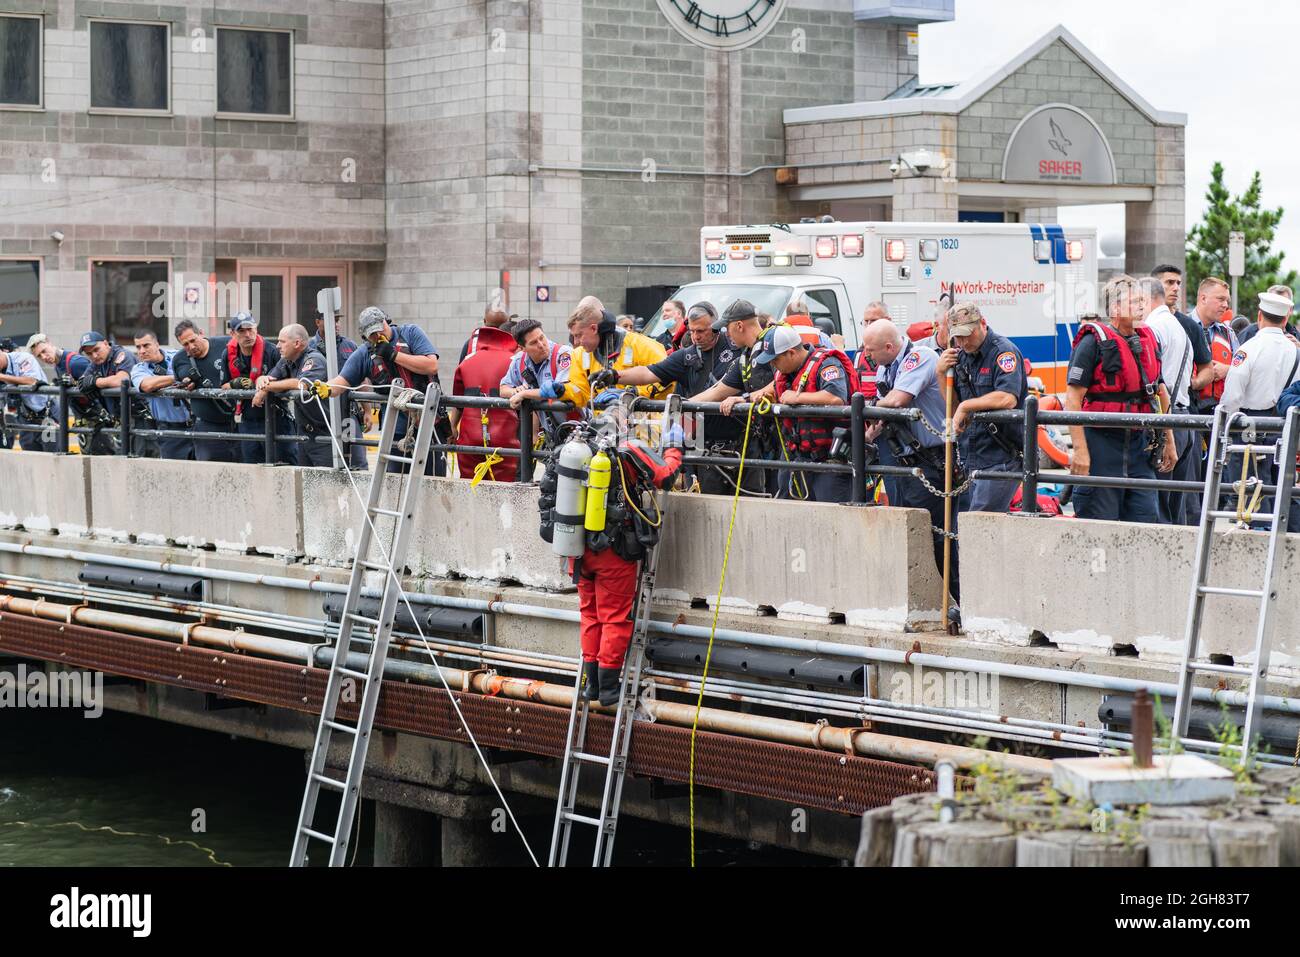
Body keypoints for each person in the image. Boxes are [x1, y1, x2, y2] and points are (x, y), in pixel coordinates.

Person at [560, 414, 685, 706]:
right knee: (614, 617)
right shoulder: (627, 449)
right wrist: (674, 446)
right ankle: (608, 690)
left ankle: (592, 685)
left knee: (590, 615)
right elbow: (666, 476)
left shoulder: (573, 447)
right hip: (613, 552)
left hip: (576, 550)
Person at [611, 301, 756, 495]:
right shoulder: (685, 357)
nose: (696, 337)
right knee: (709, 504)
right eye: (692, 331)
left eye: (702, 331)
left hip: (743, 441)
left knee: (750, 499)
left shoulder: (737, 350)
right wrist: (615, 376)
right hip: (705, 448)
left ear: (715, 327)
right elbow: (648, 373)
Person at [1064, 277, 1177, 523]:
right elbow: (1072, 399)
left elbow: (1160, 392)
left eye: (1143, 301)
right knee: (1100, 524)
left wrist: (1170, 441)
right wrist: (1080, 452)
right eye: (1134, 301)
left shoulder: (1149, 338)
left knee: (1146, 522)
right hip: (1102, 445)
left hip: (1140, 446)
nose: (1141, 306)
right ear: (1115, 309)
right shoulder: (1092, 342)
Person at [862, 319, 952, 597]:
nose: (867, 356)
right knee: (905, 528)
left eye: (871, 350)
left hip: (929, 460)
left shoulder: (920, 357)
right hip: (900, 458)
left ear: (889, 346)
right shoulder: (885, 367)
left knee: (935, 534)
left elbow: (896, 400)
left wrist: (865, 409)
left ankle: (954, 601)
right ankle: (921, 597)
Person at [326, 306, 444, 476]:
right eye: (372, 335)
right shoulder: (365, 354)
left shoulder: (410, 333)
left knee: (434, 482)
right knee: (395, 483)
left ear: (385, 322)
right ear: (365, 336)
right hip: (396, 429)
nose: (378, 336)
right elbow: (340, 382)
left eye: (380, 330)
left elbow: (431, 366)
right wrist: (323, 388)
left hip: (430, 424)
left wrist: (393, 355)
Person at [1219, 291, 1300, 531]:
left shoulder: (1248, 349)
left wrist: (1226, 421)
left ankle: (1256, 533)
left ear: (1259, 316)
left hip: (1250, 424)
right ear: (1285, 320)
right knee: (1283, 486)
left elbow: (1232, 395)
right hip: (1286, 423)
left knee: (1250, 488)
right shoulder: (1295, 351)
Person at [939, 303, 1027, 515]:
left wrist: (966, 407)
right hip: (971, 455)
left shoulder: (1003, 351)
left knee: (980, 526)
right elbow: (953, 407)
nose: (962, 342)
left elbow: (1007, 398)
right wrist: (941, 374)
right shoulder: (960, 356)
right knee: (966, 527)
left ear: (983, 324)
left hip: (1001, 456)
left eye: (967, 335)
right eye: (957, 337)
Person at [755, 324, 858, 502]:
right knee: (787, 512)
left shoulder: (827, 364)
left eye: (775, 359)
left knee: (830, 517)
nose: (773, 364)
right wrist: (743, 399)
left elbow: (836, 398)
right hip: (795, 457)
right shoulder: (785, 372)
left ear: (792, 353)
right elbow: (774, 391)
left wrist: (798, 398)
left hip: (829, 460)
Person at [691, 300, 778, 494]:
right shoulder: (745, 358)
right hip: (764, 441)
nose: (726, 334)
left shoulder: (773, 342)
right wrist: (682, 405)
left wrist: (744, 399)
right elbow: (717, 391)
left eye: (727, 328)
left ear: (739, 326)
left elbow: (783, 381)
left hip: (784, 445)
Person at [1135, 278, 1196, 525]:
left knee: (1159, 507)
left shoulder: (1153, 328)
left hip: (1165, 421)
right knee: (1175, 506)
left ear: (1146, 299)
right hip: (1184, 417)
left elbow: (1153, 379)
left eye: (1137, 301)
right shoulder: (1178, 326)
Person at [557, 296, 669, 410]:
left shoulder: (640, 345)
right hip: (603, 424)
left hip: (645, 423)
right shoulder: (579, 355)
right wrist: (561, 390)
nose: (576, 342)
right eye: (574, 336)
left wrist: (633, 393)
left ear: (594, 328)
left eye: (579, 335)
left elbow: (666, 376)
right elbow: (581, 393)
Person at [255, 324, 336, 467]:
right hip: (304, 434)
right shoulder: (287, 360)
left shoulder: (314, 359)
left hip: (324, 434)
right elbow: (271, 378)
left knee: (326, 484)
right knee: (305, 483)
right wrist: (261, 381)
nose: (278, 346)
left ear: (297, 343)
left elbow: (302, 384)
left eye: (282, 341)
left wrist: (267, 386)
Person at [450, 315, 519, 482]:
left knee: (470, 490)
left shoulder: (468, 360)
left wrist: (452, 427)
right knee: (506, 495)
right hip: (507, 440)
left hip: (469, 439)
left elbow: (457, 401)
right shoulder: (516, 361)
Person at [223, 312, 293, 464]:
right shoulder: (228, 354)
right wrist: (236, 384)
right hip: (247, 420)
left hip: (276, 418)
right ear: (232, 334)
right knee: (252, 467)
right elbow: (223, 386)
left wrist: (264, 388)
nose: (248, 335)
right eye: (242, 331)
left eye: (251, 329)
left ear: (256, 328)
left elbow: (288, 382)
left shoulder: (272, 351)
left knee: (283, 465)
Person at [499, 318, 574, 448]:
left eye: (542, 337)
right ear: (522, 348)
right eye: (533, 342)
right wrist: (515, 391)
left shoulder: (564, 354)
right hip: (552, 436)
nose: (541, 344)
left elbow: (558, 390)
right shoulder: (519, 361)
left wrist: (524, 394)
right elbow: (503, 388)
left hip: (578, 431)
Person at [172, 319, 239, 462]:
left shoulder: (226, 344)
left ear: (201, 333)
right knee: (210, 472)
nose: (191, 346)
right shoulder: (179, 360)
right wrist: (186, 385)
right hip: (207, 425)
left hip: (238, 420)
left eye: (193, 340)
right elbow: (180, 383)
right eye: (185, 344)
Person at [308, 312, 368, 469]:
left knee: (358, 461)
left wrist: (367, 411)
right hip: (320, 417)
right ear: (317, 322)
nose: (336, 324)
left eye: (337, 320)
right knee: (328, 464)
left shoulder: (349, 346)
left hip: (348, 412)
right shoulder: (309, 348)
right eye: (330, 320)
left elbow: (361, 379)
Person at [130, 330, 193, 460]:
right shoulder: (139, 369)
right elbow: (147, 385)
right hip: (170, 429)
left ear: (157, 344)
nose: (142, 351)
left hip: (196, 424)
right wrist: (178, 377)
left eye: (146, 345)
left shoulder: (177, 355)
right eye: (138, 347)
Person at [1189, 277, 1236, 414]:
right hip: (1189, 407)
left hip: (1219, 410)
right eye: (1221, 299)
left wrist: (1228, 369)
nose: (1225, 305)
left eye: (1227, 300)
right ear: (1203, 299)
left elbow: (1244, 369)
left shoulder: (1228, 333)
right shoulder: (1182, 328)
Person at [0, 348, 56, 452]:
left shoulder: (23, 358)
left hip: (46, 414)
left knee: (52, 454)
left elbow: (32, 381)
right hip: (25, 417)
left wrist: (2, 377)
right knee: (29, 453)